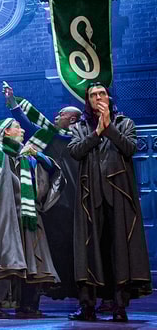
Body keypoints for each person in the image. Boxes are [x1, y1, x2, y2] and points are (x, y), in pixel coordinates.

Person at [67, 82, 152, 322]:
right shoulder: (80, 127)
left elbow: (130, 148)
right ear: (88, 101)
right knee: (89, 248)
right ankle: (87, 306)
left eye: (102, 93)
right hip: (90, 194)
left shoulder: (125, 123)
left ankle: (119, 306)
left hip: (118, 193)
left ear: (109, 97)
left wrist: (109, 127)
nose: (98, 97)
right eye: (93, 95)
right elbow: (75, 151)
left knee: (120, 249)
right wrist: (97, 133)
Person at [0, 117, 61, 318]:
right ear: (6, 131)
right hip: (2, 214)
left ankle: (28, 305)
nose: (22, 130)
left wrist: (39, 155)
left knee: (33, 259)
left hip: (27, 215)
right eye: (17, 127)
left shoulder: (27, 157)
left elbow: (52, 169)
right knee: (3, 258)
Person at [2, 83, 82, 300]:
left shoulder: (81, 139)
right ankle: (57, 285)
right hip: (54, 199)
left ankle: (75, 286)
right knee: (55, 242)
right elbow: (28, 125)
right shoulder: (49, 136)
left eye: (61, 114)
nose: (56, 116)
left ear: (72, 119)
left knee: (74, 244)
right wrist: (12, 103)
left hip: (75, 197)